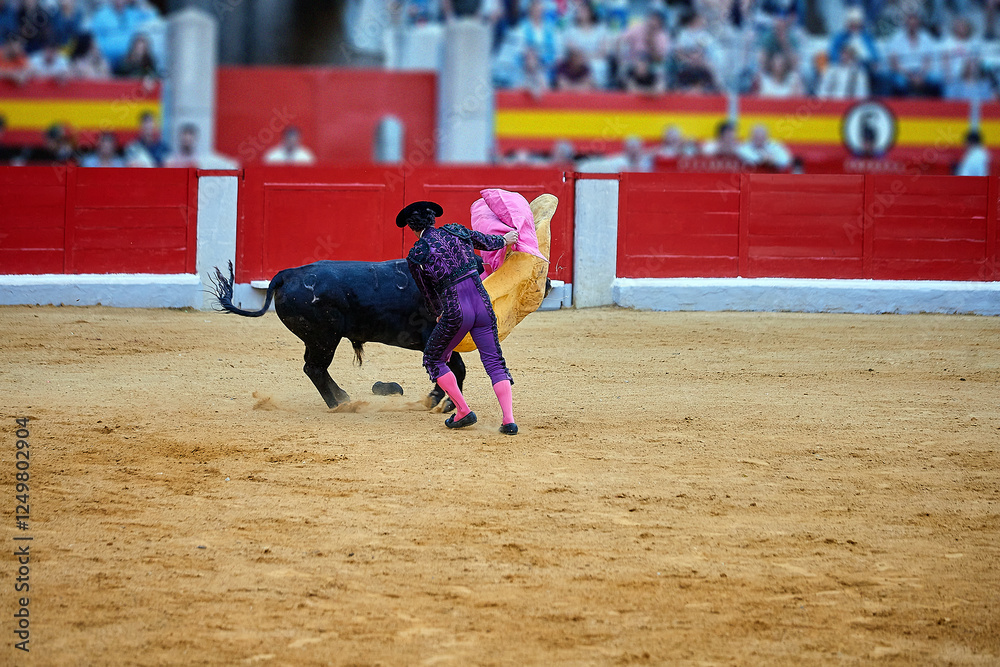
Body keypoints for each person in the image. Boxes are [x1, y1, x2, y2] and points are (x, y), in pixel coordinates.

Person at [399, 201, 520, 435]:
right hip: (483, 304)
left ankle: (463, 410)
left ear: (412, 228)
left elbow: (428, 292)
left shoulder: (417, 254)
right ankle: (509, 420)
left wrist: (438, 312)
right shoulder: (457, 230)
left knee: (434, 359)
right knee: (494, 362)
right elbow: (488, 241)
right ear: (433, 219)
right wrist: (507, 240)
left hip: (456, 310)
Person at [885, 10, 942, 97]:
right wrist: (910, 76)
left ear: (918, 23)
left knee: (936, 79)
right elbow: (894, 63)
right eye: (910, 23)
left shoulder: (926, 38)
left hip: (922, 72)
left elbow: (928, 60)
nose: (912, 25)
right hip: (904, 72)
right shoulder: (896, 38)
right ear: (906, 23)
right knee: (899, 83)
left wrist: (920, 75)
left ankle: (935, 108)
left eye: (914, 23)